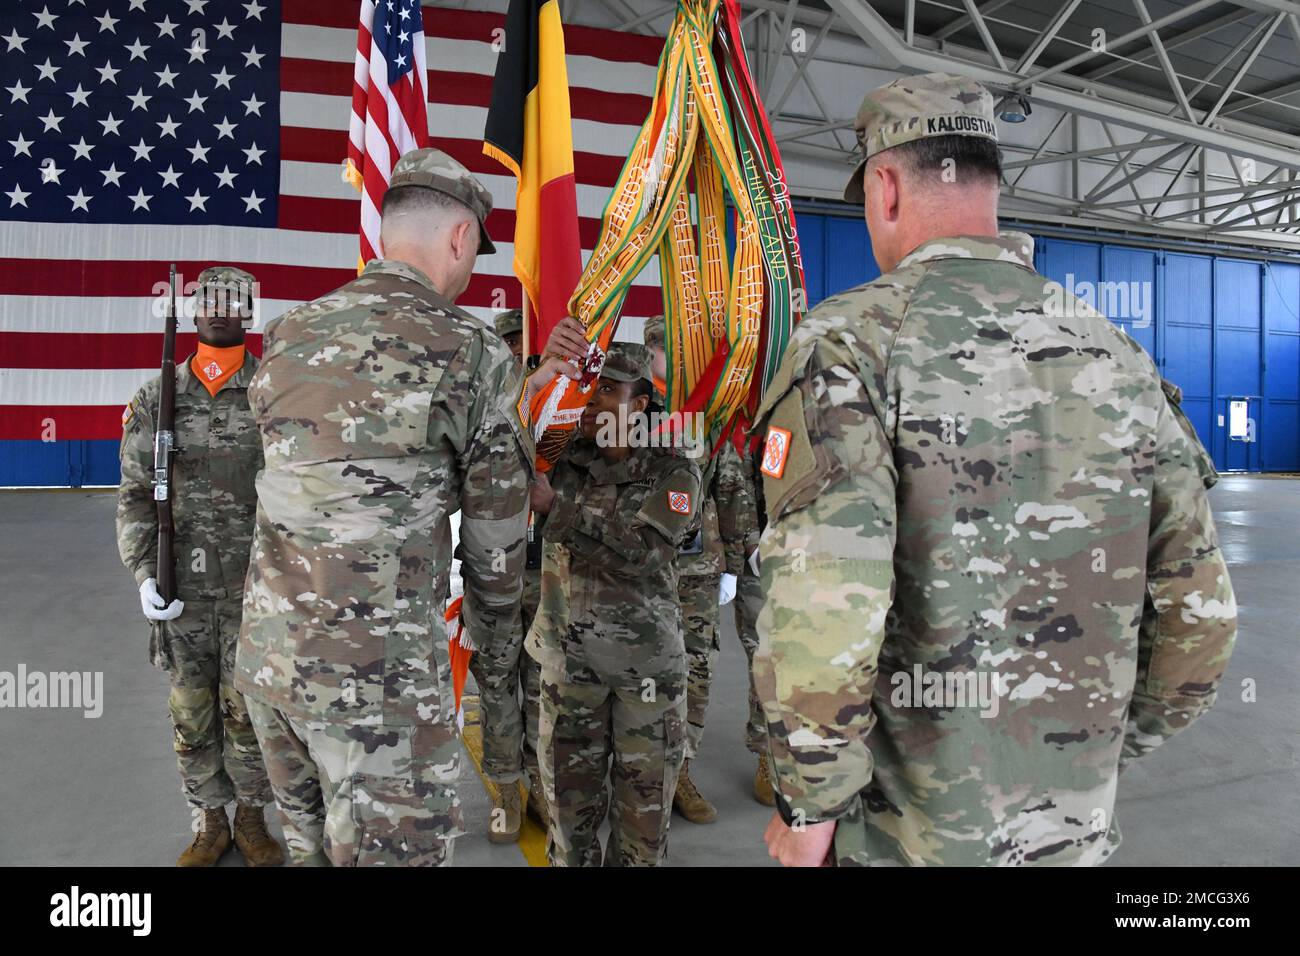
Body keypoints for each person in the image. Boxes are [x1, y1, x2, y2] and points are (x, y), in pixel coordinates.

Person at [752, 72, 1238, 867]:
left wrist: (812, 799)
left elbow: (828, 590)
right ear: (989, 182)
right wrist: (1099, 744)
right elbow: (1199, 613)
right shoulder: (1119, 354)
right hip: (1070, 829)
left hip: (907, 836)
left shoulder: (852, 342)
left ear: (884, 188)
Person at [235, 149, 532, 867]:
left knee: (309, 852)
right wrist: (496, 648)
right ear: (461, 236)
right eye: (474, 251)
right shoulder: (472, 350)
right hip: (378, 687)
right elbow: (495, 537)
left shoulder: (287, 335)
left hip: (271, 668)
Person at [116, 266, 282, 867]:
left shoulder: (272, 393)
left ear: (248, 313)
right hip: (182, 589)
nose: (220, 310)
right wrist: (143, 575)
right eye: (208, 300)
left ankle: (251, 820)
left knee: (251, 713)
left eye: (233, 301)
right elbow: (135, 496)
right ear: (191, 311)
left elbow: (293, 495)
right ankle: (209, 822)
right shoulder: (153, 400)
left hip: (252, 591)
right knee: (191, 714)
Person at [525, 343, 701, 866]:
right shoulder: (557, 457)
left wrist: (558, 510)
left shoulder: (673, 470)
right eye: (588, 386)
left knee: (642, 826)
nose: (593, 400)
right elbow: (494, 428)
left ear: (641, 403)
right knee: (568, 822)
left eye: (607, 389)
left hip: (645, 673)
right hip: (569, 666)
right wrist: (536, 381)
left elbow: (645, 553)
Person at [642, 314, 758, 823]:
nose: (662, 357)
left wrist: (735, 562)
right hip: (638, 570)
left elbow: (731, 489)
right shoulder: (627, 412)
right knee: (638, 673)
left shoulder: (708, 416)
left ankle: (680, 771)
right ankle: (640, 775)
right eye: (656, 349)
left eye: (671, 349)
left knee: (696, 670)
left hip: (698, 573)